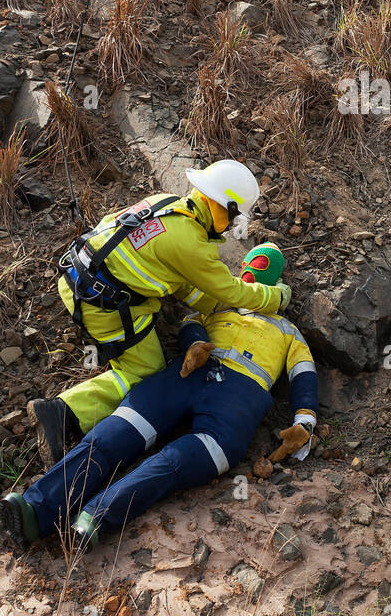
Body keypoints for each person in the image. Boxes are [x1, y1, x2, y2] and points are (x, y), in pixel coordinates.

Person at [0, 245, 319, 551]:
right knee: (119, 430)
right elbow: (191, 321)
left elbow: (303, 373)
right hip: (187, 372)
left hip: (239, 398)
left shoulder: (289, 332)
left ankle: (96, 517)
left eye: (259, 272)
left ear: (276, 284)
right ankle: (35, 509)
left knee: (181, 459)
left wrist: (303, 421)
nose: (250, 276)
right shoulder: (218, 305)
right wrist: (194, 342)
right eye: (248, 269)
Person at [28, 162, 291, 465]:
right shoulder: (191, 243)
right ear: (225, 208)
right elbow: (233, 292)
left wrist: (210, 306)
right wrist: (274, 296)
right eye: (233, 218)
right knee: (146, 373)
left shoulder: (164, 202)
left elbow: (174, 274)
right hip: (102, 305)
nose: (232, 226)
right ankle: (62, 413)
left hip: (76, 275)